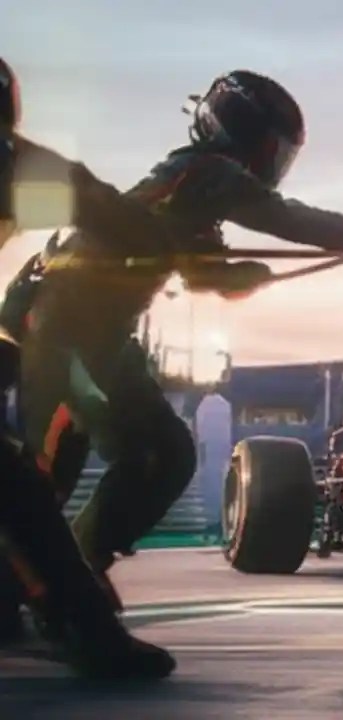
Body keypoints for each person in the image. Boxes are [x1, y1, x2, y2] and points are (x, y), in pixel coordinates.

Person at [18, 69, 343, 612]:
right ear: (251, 137)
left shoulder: (188, 186)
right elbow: (287, 218)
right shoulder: (209, 173)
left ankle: (69, 579)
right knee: (99, 464)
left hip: (94, 333)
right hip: (70, 329)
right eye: (275, 151)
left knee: (142, 457)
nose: (273, 167)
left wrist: (244, 276)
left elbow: (207, 273)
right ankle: (65, 587)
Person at [0, 56, 176, 679]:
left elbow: (89, 203)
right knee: (20, 490)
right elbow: (94, 203)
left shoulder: (20, 171)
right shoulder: (14, 167)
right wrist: (163, 245)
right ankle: (82, 625)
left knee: (20, 485)